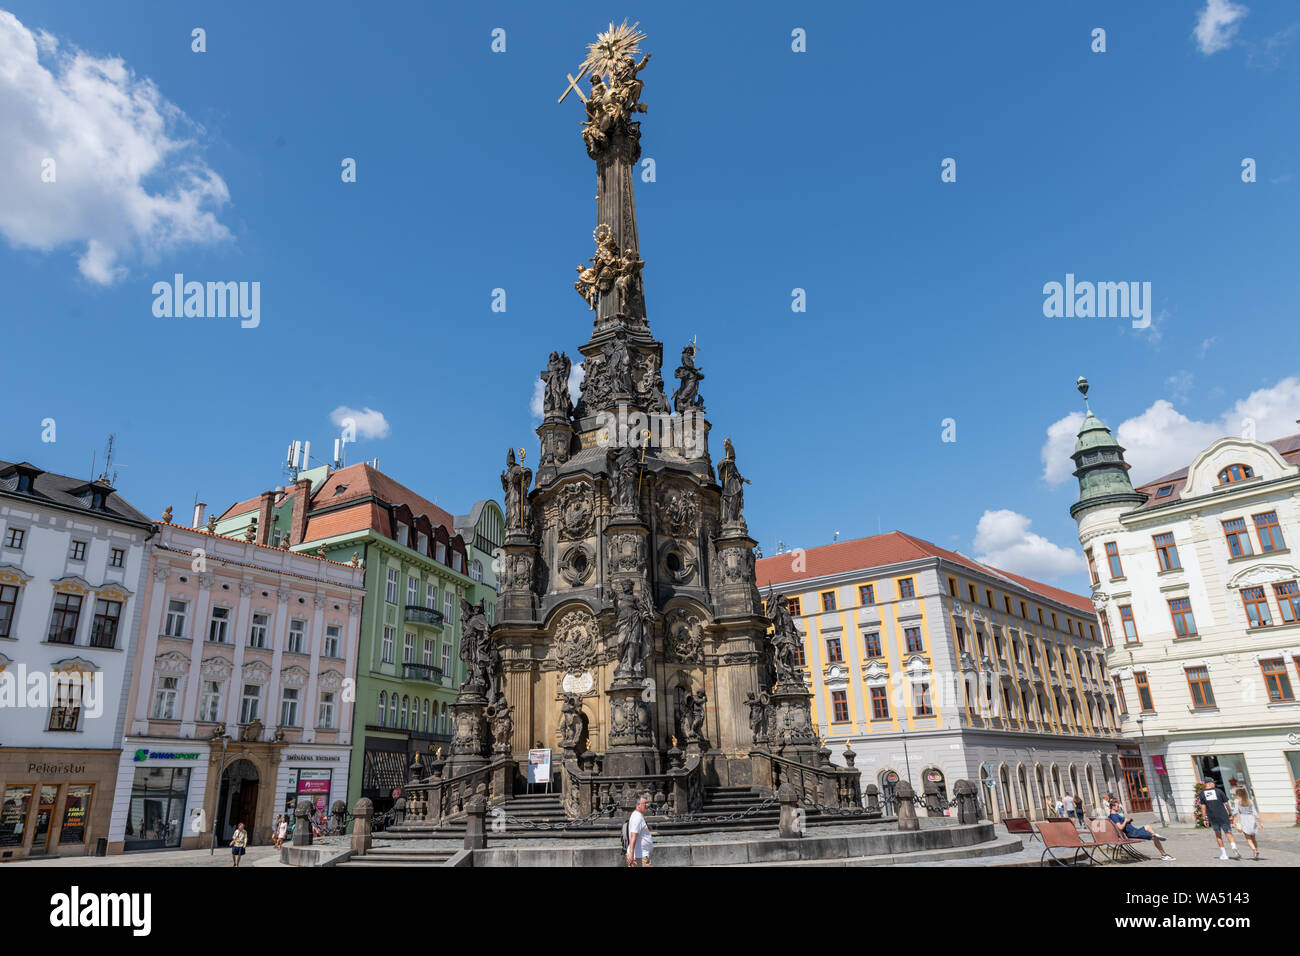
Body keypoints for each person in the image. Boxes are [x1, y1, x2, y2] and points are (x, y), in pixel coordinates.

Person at [1108, 801, 1175, 861]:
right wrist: (1125, 821)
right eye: (1117, 806)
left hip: (1135, 831)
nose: (1119, 807)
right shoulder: (1114, 816)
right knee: (1154, 837)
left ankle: (1155, 836)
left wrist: (1128, 820)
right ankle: (1164, 855)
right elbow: (1120, 827)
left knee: (1148, 827)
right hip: (1132, 833)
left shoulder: (1115, 815)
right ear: (1113, 807)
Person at [1197, 778, 1239, 860]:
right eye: (1213, 782)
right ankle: (1234, 848)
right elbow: (1226, 804)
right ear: (1209, 783)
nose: (1214, 784)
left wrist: (1204, 818)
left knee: (1218, 835)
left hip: (1212, 817)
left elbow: (1203, 807)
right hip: (1223, 815)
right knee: (1228, 833)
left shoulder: (1202, 794)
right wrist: (1230, 813)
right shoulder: (1219, 791)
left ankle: (1224, 854)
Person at [1230, 787, 1260, 861]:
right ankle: (1255, 851)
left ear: (1238, 794)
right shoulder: (1250, 801)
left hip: (1244, 819)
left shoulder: (1237, 801)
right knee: (1253, 838)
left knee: (1248, 838)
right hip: (1251, 819)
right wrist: (1259, 821)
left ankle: (1254, 850)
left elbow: (1235, 811)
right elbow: (1255, 812)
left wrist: (1231, 816)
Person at [625, 793, 654, 867]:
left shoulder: (638, 815)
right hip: (639, 857)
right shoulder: (637, 818)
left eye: (647, 803)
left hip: (640, 855)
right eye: (645, 803)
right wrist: (631, 855)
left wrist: (647, 827)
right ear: (638, 805)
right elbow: (633, 836)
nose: (647, 805)